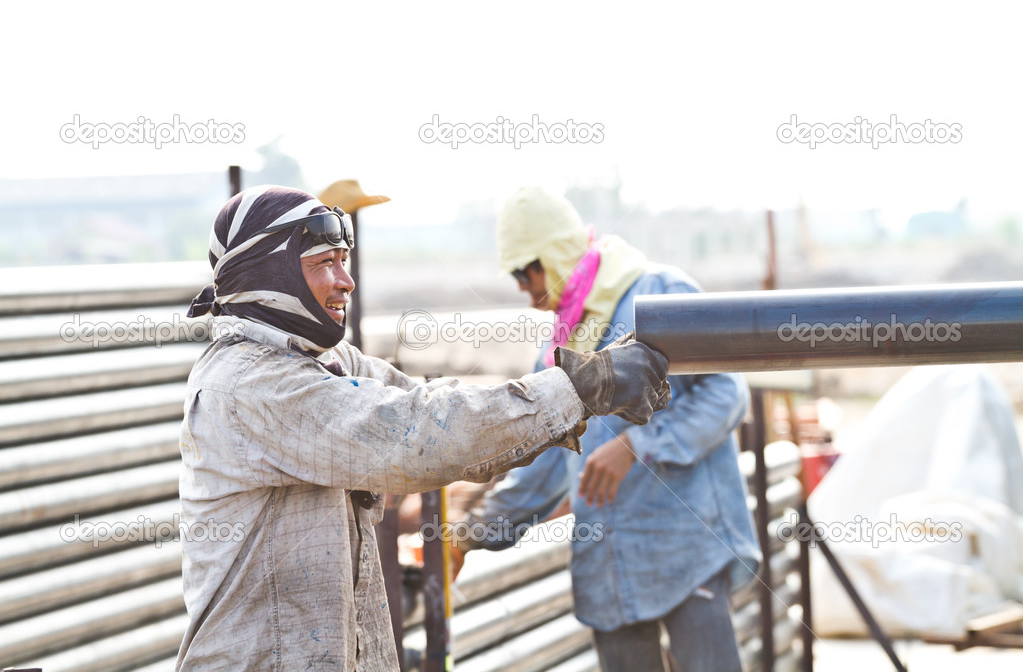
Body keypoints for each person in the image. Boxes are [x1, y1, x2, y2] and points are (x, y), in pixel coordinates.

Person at [174, 185, 671, 670]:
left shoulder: (322, 361)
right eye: (325, 263)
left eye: (344, 261)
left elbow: (427, 404)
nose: (346, 281)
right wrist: (580, 389)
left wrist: (571, 394)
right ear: (269, 275)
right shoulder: (248, 386)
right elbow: (414, 435)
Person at [450, 187, 761, 672]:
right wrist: (470, 535)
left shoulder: (660, 294)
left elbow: (726, 395)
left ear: (549, 258)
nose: (521, 288)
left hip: (686, 548)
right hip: (612, 565)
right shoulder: (560, 346)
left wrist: (639, 444)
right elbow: (544, 463)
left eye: (522, 272)